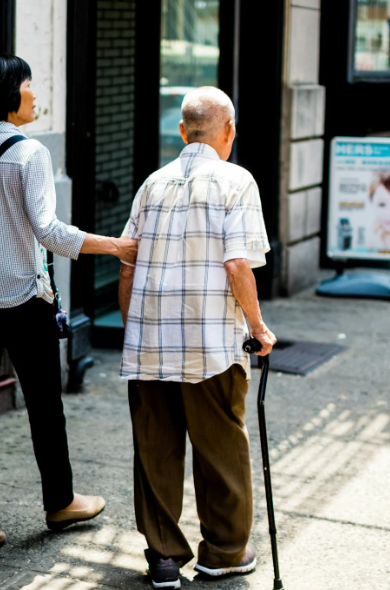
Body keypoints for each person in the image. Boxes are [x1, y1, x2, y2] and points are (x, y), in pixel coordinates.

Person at [0, 54, 137, 556]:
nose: (35, 94)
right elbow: (50, 232)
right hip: (21, 298)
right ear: (12, 95)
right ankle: (59, 502)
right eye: (29, 86)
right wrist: (116, 246)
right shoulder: (29, 152)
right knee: (44, 406)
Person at [117, 86, 276, 589]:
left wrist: (133, 328)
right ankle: (224, 553)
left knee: (155, 450)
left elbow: (127, 264)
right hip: (211, 344)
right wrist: (257, 326)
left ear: (182, 132)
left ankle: (163, 557)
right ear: (227, 131)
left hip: (150, 343)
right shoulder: (237, 180)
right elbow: (237, 263)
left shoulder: (153, 183)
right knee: (222, 448)